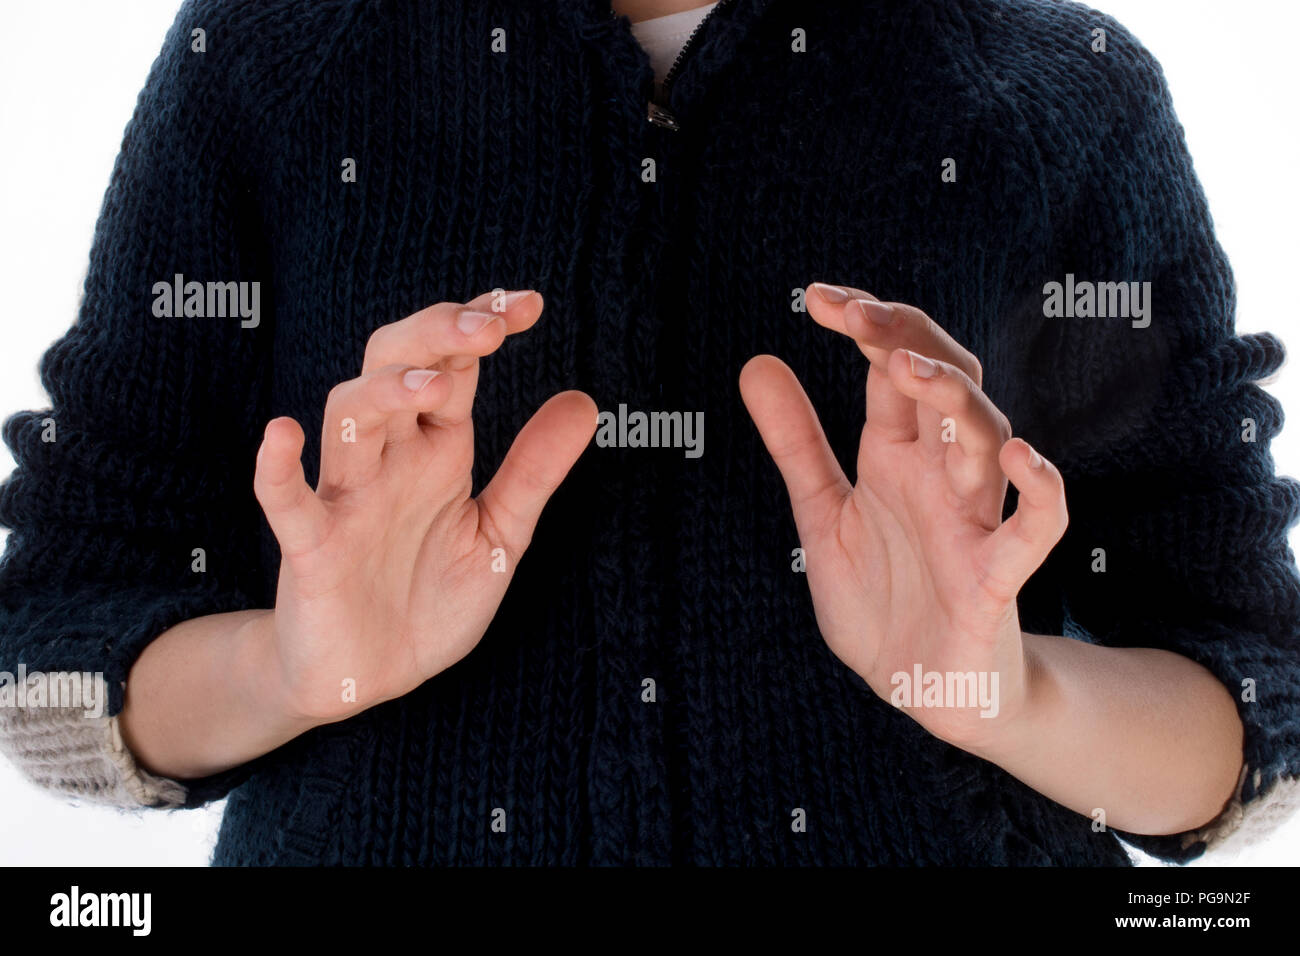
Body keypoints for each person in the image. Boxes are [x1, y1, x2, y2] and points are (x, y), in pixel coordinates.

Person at [1, 0, 1297, 866]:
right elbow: (42, 658)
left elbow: (1259, 703)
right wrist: (290, 669)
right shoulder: (278, 57)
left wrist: (1009, 694)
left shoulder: (1061, 95)